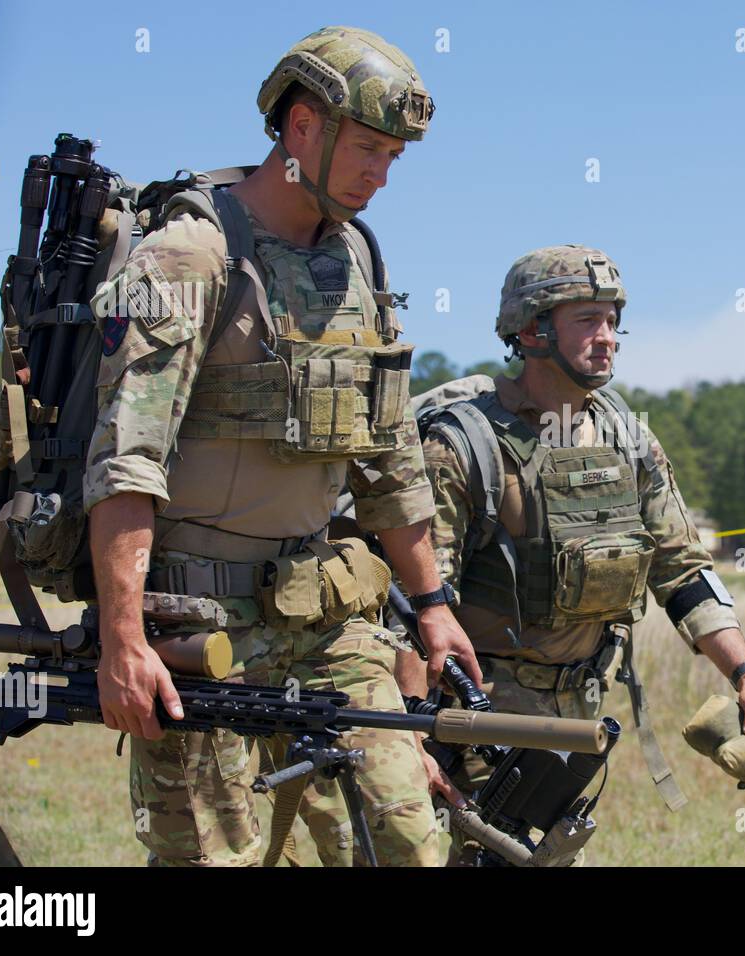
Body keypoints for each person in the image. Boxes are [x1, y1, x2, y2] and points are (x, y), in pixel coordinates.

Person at [84, 25, 481, 867]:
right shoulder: (189, 257)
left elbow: (392, 461)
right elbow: (126, 461)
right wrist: (124, 639)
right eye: (369, 148)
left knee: (408, 845)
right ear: (303, 128)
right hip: (199, 627)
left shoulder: (358, 263)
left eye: (394, 158)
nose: (380, 173)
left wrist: (435, 606)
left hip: (330, 619)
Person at [411, 244, 745, 861]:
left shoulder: (627, 436)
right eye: (587, 319)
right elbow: (416, 608)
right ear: (532, 329)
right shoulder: (465, 446)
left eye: (614, 320)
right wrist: (411, 738)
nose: (608, 337)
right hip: (482, 718)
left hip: (584, 712)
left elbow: (683, 570)